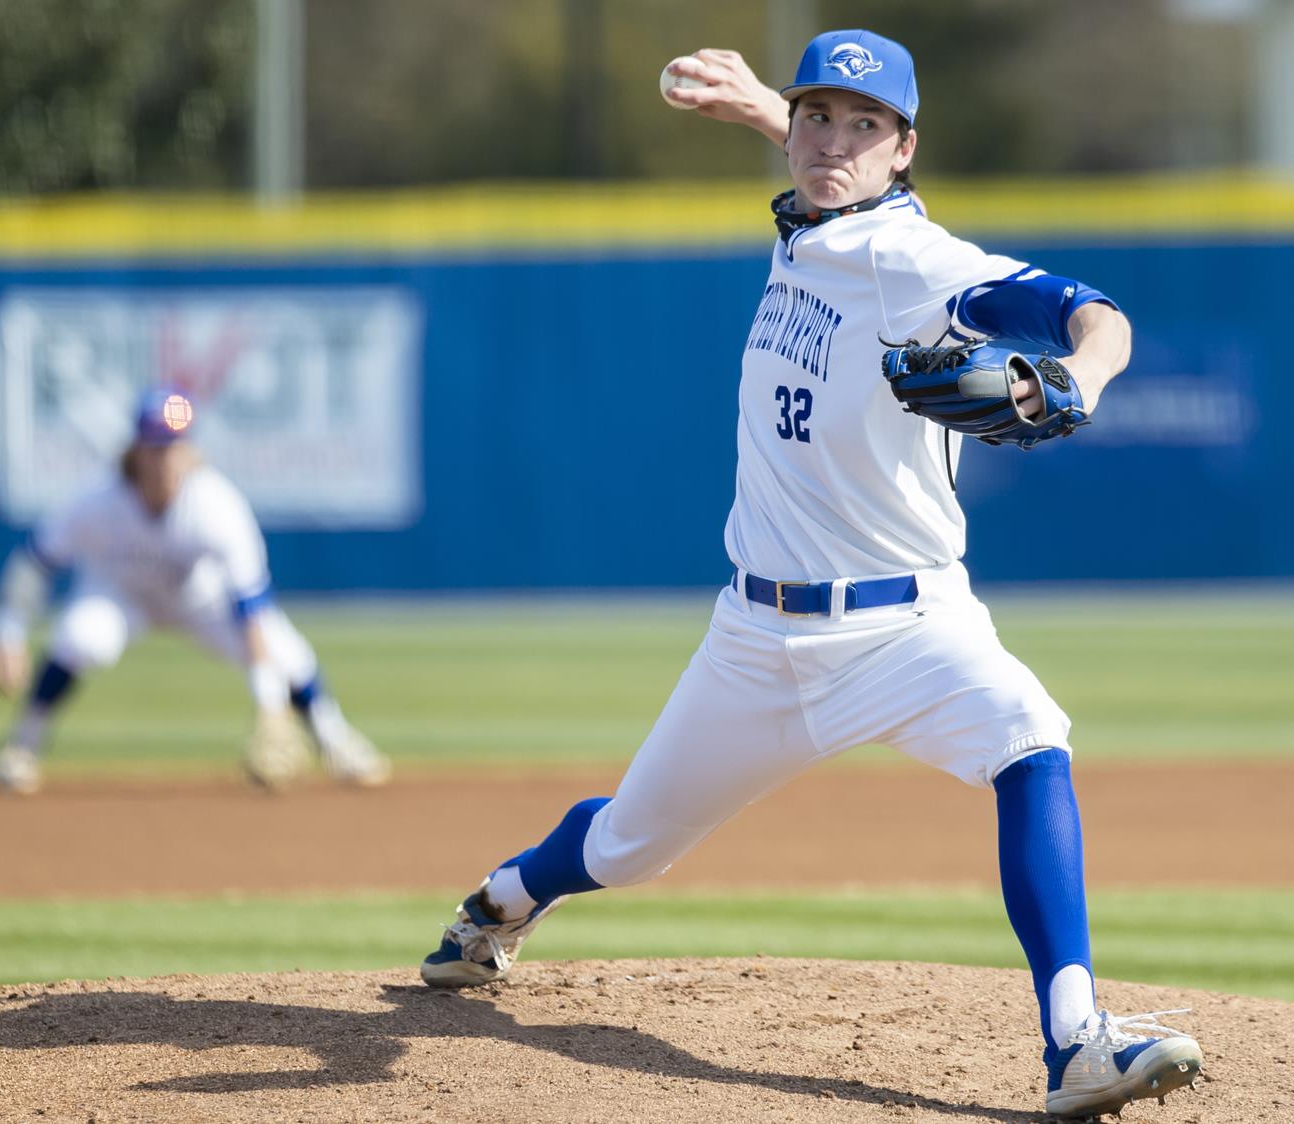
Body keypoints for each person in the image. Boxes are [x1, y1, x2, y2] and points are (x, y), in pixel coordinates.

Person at [420, 30, 1202, 1118]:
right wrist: (758, 102)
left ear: (904, 149)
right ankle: (499, 903)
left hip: (908, 627)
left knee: (1031, 738)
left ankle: (1075, 1040)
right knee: (627, 845)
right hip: (754, 639)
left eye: (865, 125)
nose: (834, 141)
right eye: (816, 117)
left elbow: (1094, 313)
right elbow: (821, 174)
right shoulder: (809, 222)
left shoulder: (910, 260)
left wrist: (1083, 375)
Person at [0, 387, 389, 795]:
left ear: (188, 450)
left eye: (174, 445)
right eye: (156, 446)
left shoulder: (216, 504)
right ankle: (24, 745)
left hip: (198, 600)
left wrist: (270, 708)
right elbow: (35, 562)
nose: (165, 458)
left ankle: (335, 740)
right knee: (80, 639)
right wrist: (9, 635)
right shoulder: (97, 500)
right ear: (136, 450)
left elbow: (252, 608)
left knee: (288, 654)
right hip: (120, 595)